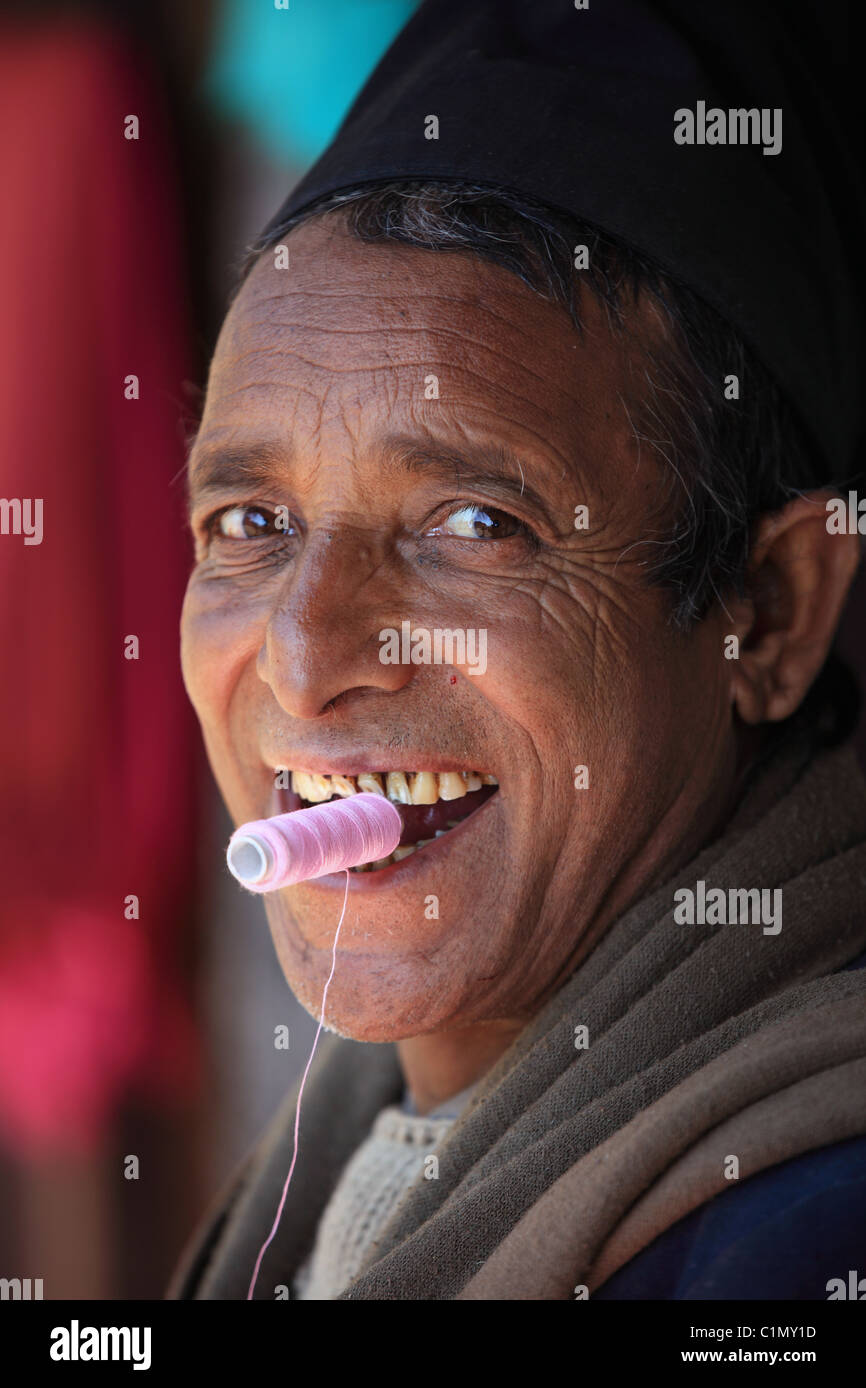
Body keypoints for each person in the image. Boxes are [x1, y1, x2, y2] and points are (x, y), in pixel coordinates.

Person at [169, 0, 866, 1299]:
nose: (304, 658)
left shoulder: (802, 1246)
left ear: (767, 609)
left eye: (472, 523)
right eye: (251, 522)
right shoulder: (360, 1133)